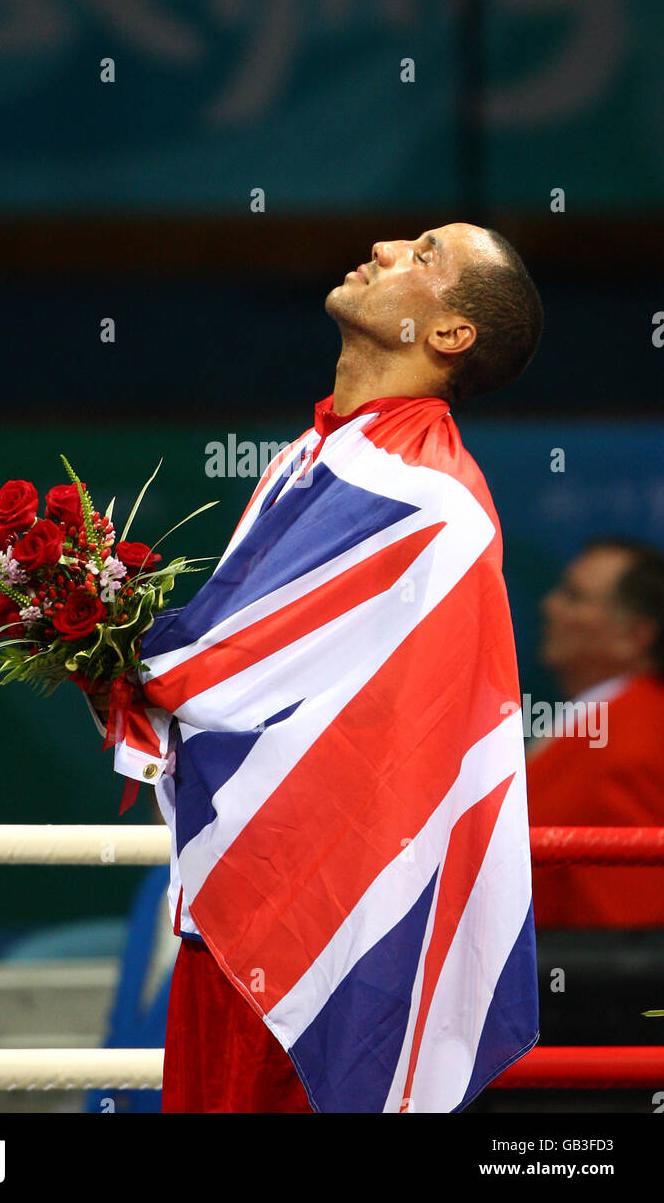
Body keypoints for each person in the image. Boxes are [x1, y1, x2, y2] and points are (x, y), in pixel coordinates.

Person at [89, 223, 544, 1113]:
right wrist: (99, 642)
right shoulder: (309, 457)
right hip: (228, 912)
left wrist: (98, 643)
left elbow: (220, 672)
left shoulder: (435, 505)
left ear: (450, 335)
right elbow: (237, 672)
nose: (383, 246)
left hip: (327, 947)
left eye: (424, 256)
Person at [526, 538, 664, 927]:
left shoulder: (635, 746)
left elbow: (632, 938)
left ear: (635, 636)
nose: (549, 606)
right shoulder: (595, 721)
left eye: (574, 597)